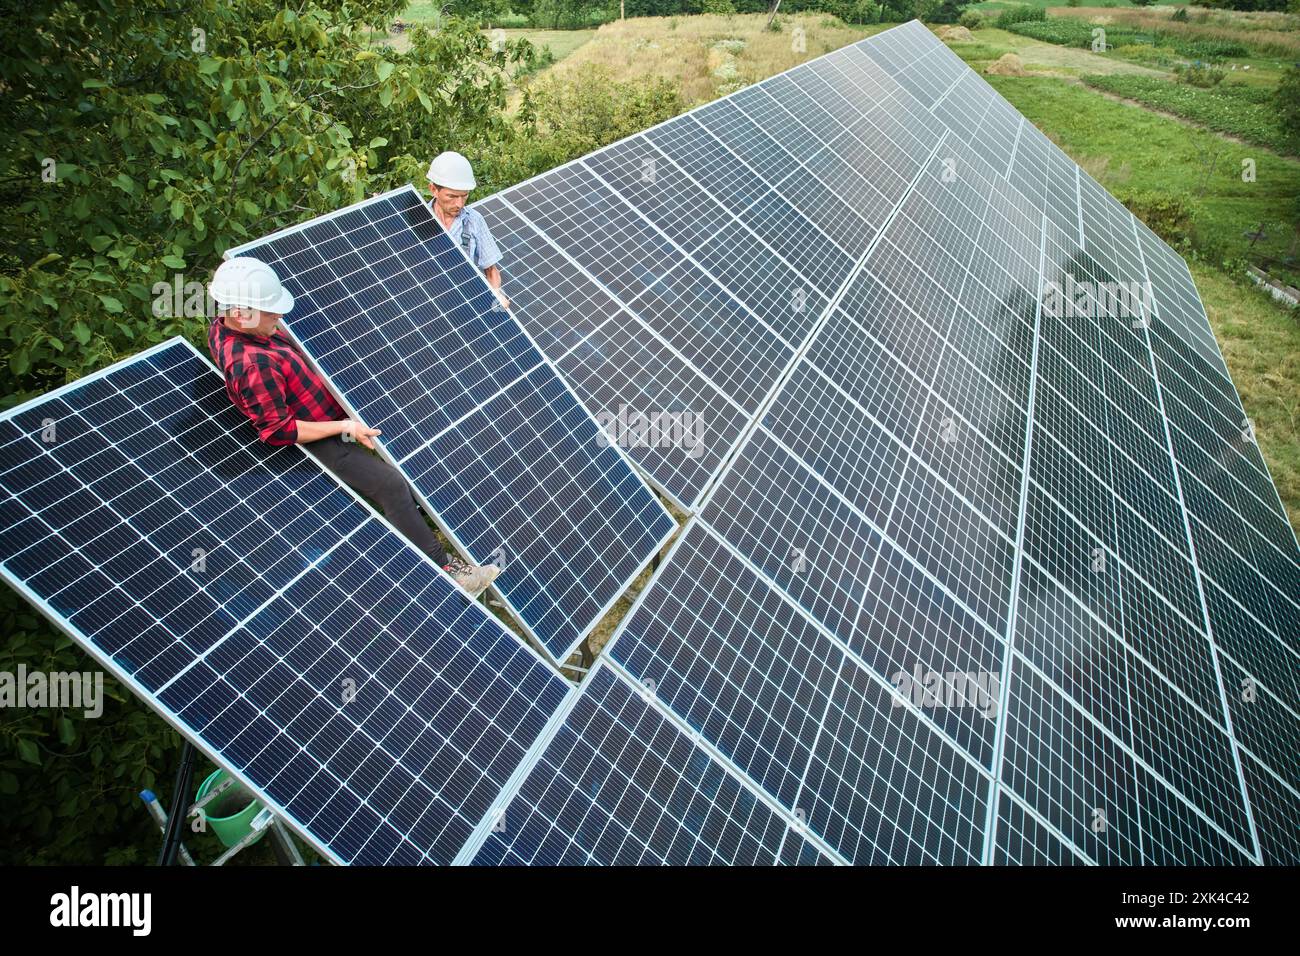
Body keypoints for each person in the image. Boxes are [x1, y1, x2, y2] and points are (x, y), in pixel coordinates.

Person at [206, 256, 501, 595]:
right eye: (272, 312)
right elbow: (278, 430)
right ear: (242, 314)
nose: (280, 317)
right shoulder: (250, 363)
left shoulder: (227, 323)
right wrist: (343, 427)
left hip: (327, 410)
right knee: (389, 483)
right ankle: (449, 573)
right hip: (316, 436)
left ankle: (419, 512)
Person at [425, 151, 510, 310]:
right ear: (433, 189)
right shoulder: (418, 218)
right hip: (424, 301)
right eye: (452, 196)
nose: (459, 204)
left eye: (464, 196)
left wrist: (497, 293)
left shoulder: (474, 220)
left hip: (460, 304)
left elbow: (491, 270)